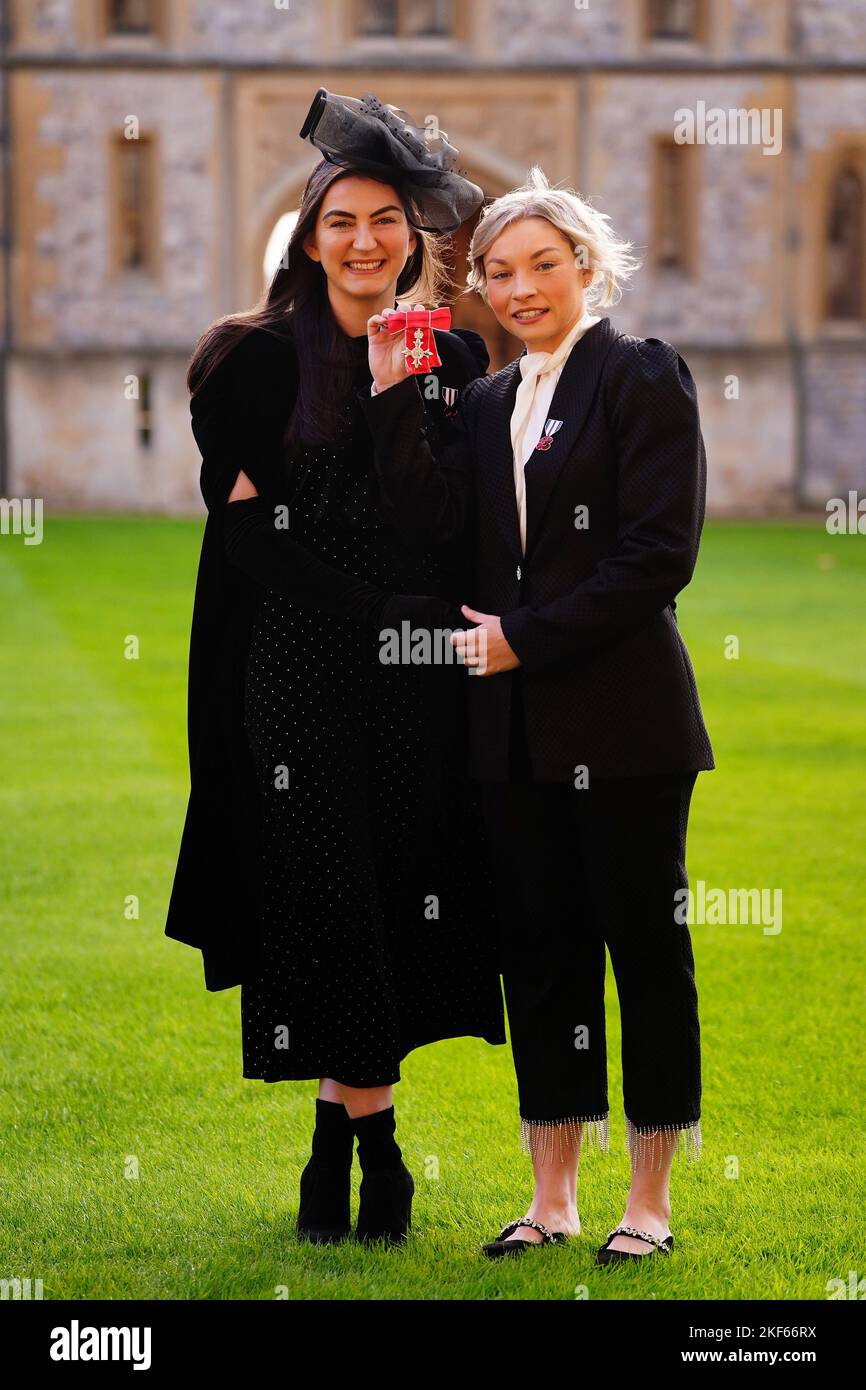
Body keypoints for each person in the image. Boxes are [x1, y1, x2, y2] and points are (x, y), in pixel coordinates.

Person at [164, 92, 506, 1248]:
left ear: (413, 237)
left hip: (413, 678)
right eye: (341, 222)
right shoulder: (249, 361)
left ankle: (329, 1144)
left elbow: (448, 519)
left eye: (385, 222)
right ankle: (383, 1156)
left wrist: (403, 393)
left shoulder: (448, 359)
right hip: (299, 670)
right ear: (308, 239)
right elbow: (251, 540)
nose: (364, 241)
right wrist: (376, 607)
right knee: (325, 890)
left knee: (381, 894)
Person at [360, 166, 714, 1264]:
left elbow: (657, 556)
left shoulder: (638, 375)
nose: (518, 289)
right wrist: (389, 389)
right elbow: (425, 527)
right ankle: (550, 1198)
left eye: (540, 267)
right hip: (508, 737)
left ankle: (644, 1205)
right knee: (542, 959)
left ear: (584, 266)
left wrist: (524, 637)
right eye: (498, 273)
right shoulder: (480, 403)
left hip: (623, 723)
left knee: (643, 953)